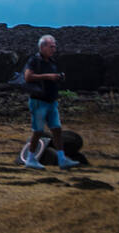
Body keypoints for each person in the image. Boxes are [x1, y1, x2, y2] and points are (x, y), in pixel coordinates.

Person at [20, 34, 79, 170]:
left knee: (57, 130)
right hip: (38, 101)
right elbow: (28, 77)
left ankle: (62, 159)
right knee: (38, 131)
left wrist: (58, 78)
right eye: (51, 46)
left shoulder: (52, 62)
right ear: (43, 47)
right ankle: (30, 158)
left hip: (51, 101)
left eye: (54, 46)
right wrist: (48, 77)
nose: (54, 49)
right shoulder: (34, 60)